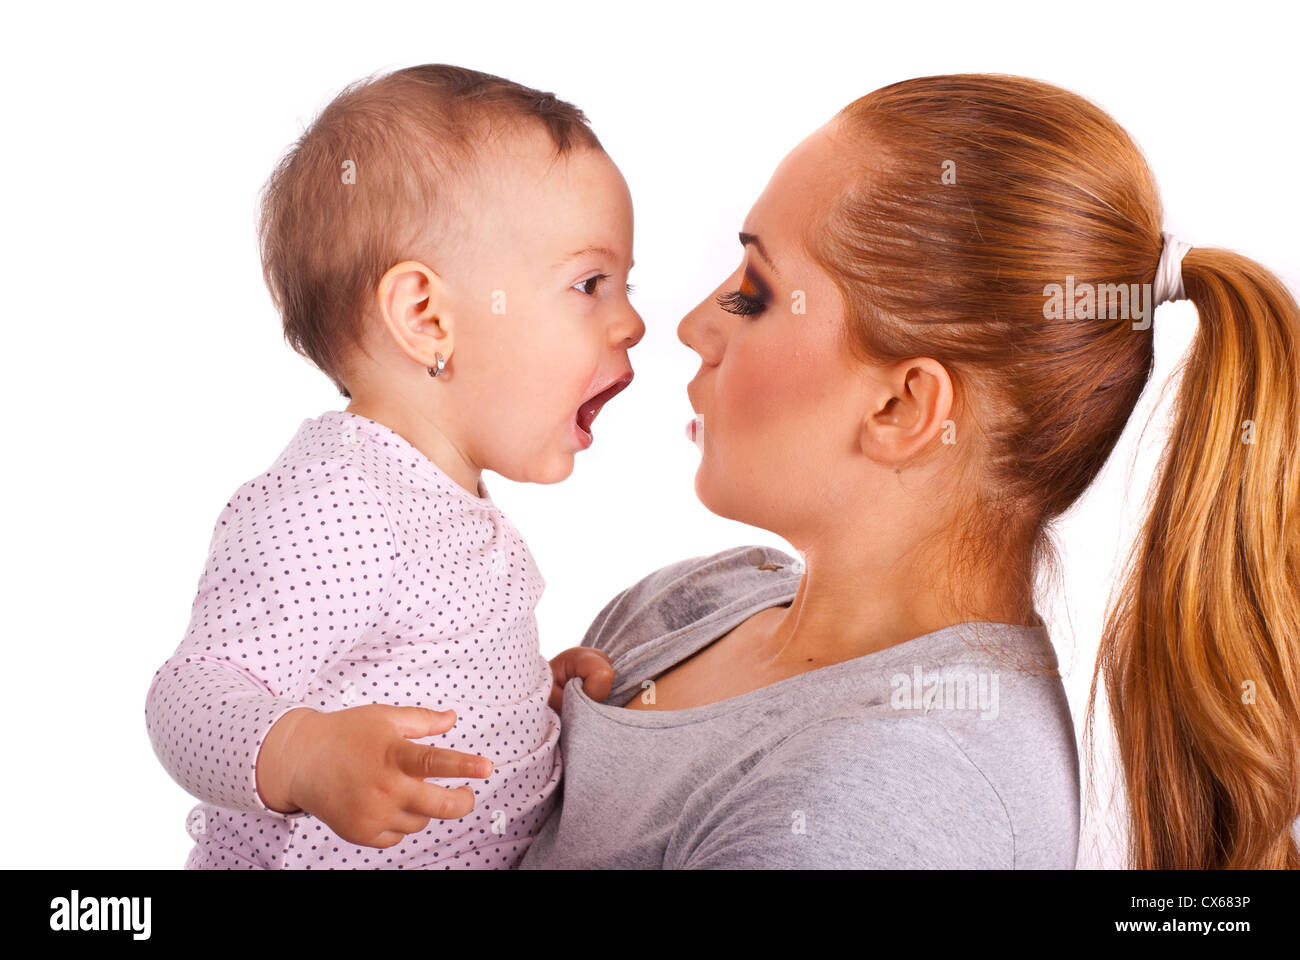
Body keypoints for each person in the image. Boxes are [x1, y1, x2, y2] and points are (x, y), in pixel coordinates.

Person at [521, 74, 1300, 869]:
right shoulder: (684, 608)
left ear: (902, 406)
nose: (691, 327)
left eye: (755, 294)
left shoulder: (883, 800)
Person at [144, 64, 636, 869]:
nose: (634, 321)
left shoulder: (436, 497)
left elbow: (395, 669)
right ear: (426, 317)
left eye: (625, 284)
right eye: (590, 284)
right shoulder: (340, 501)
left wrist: (514, 702)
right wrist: (303, 756)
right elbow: (188, 698)